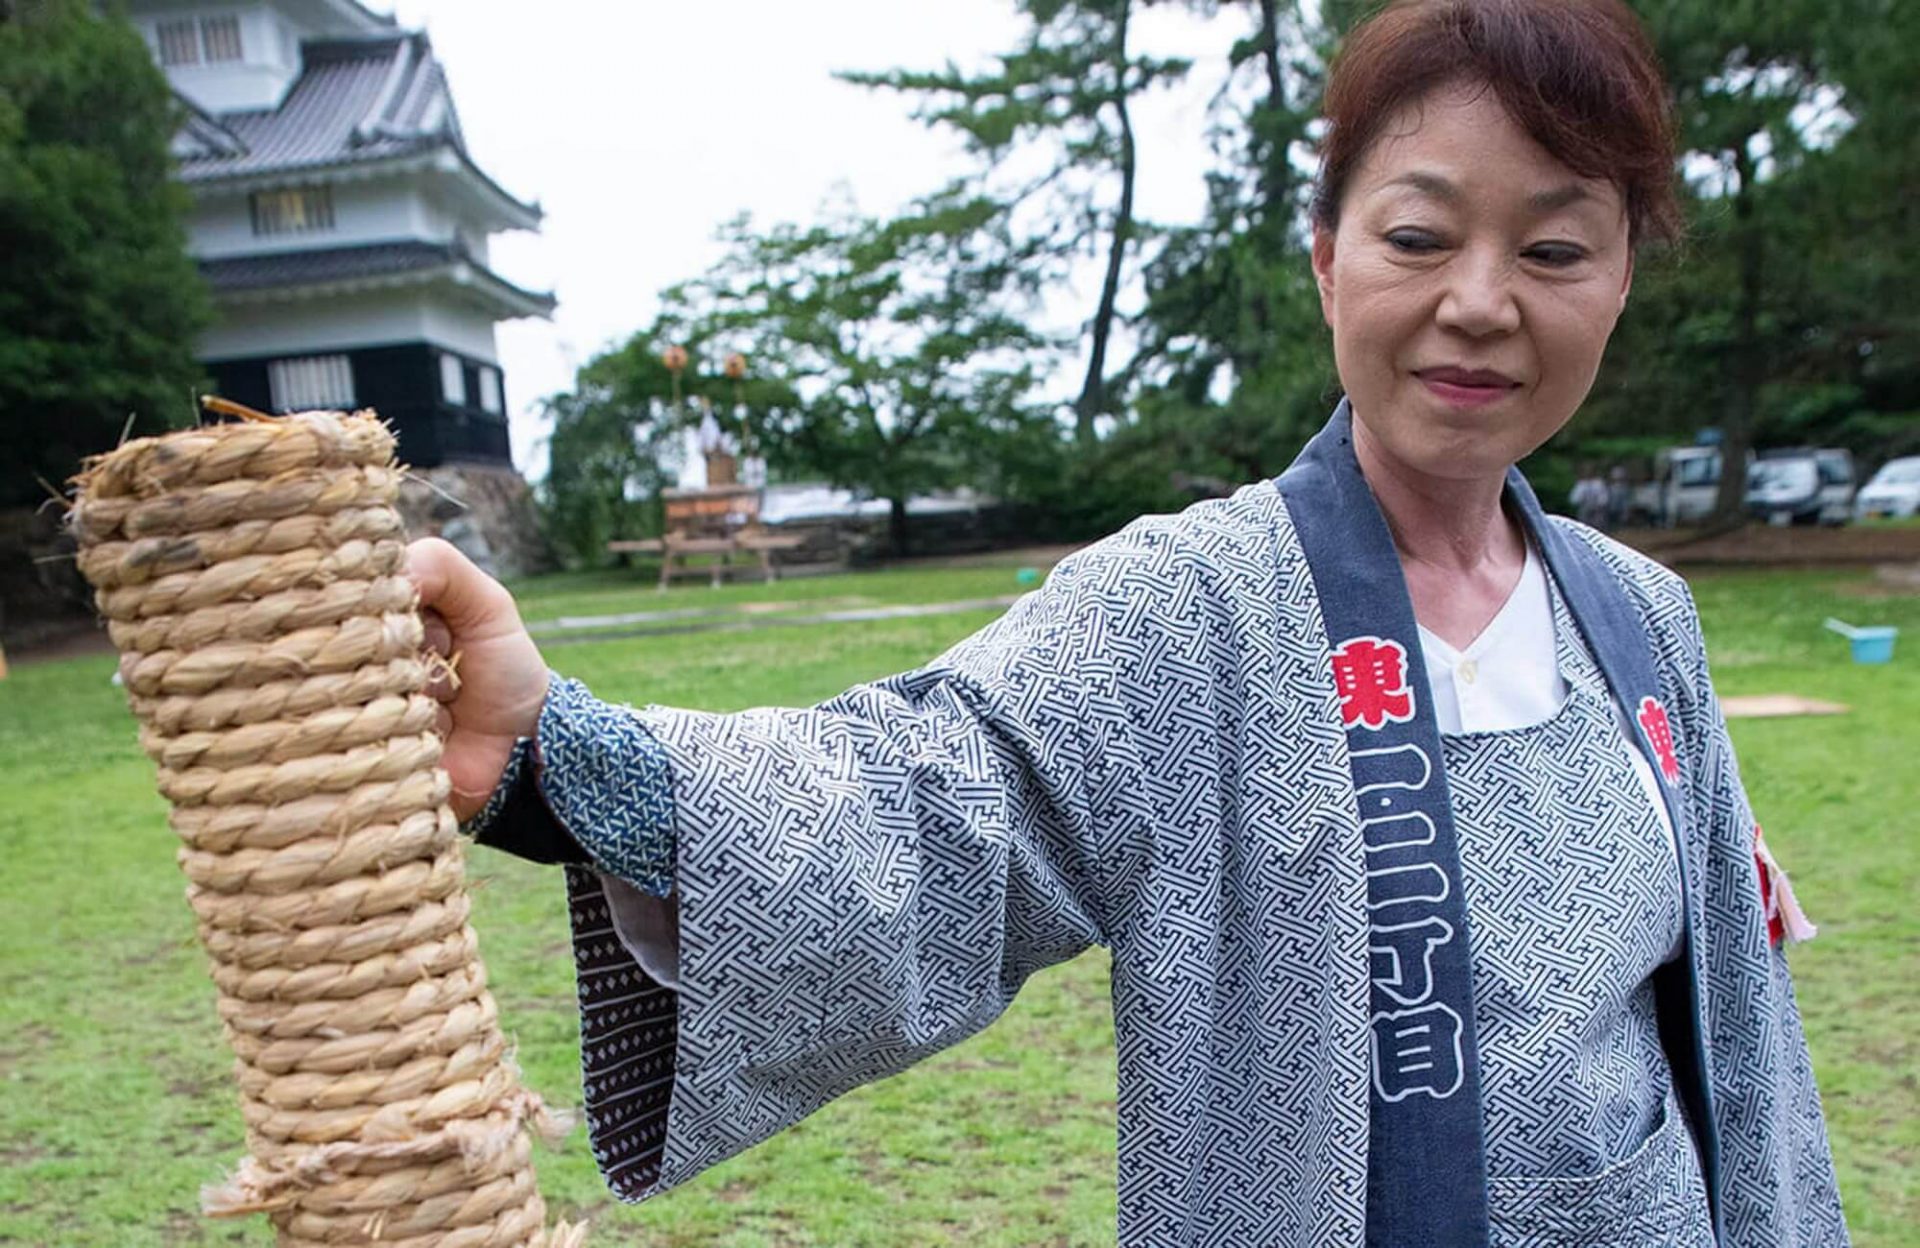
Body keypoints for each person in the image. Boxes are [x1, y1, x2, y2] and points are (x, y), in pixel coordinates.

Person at [408, 1, 1848, 1243]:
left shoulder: (1641, 619)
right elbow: (924, 806)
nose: (1479, 303)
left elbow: (1740, 1042)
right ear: (1328, 259)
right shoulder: (1194, 610)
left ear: (1619, 284)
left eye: (1553, 250)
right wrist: (558, 751)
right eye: (1420, 234)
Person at [1570, 463, 1610, 529]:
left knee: (1598, 526)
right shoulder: (1581, 484)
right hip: (1584, 508)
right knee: (1583, 526)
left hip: (1597, 509)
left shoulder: (1599, 483)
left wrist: (1600, 504)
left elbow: (1603, 497)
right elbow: (1574, 499)